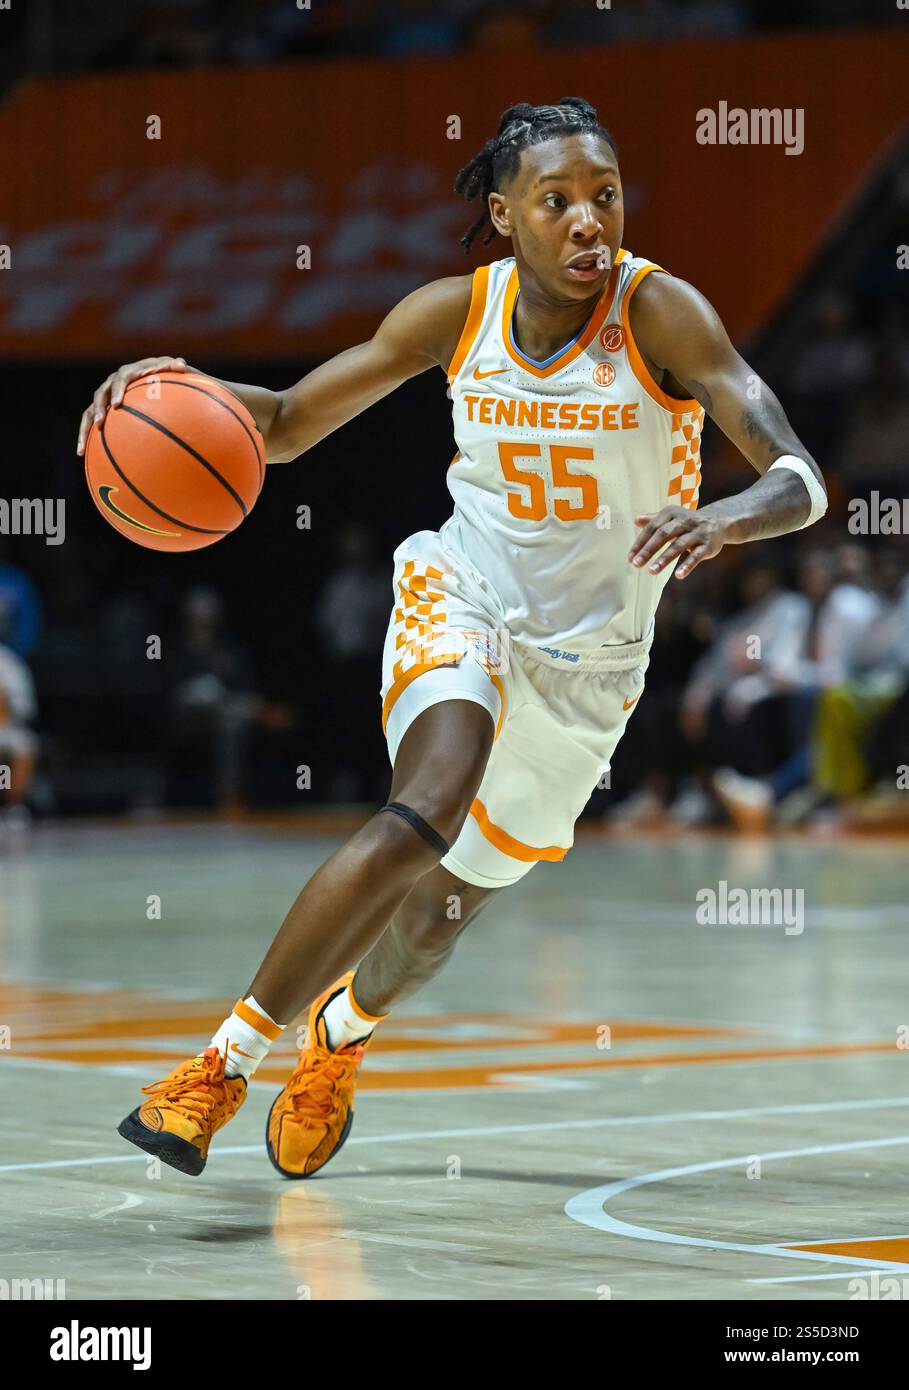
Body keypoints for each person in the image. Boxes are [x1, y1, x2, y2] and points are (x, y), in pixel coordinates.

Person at [76, 98, 828, 1179]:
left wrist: (724, 516)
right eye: (557, 200)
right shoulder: (449, 316)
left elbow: (800, 475)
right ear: (504, 213)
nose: (588, 223)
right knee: (426, 800)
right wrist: (156, 391)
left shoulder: (661, 314)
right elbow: (281, 426)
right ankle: (218, 1069)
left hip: (591, 669)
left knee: (434, 919)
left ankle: (339, 1035)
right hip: (464, 590)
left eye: (605, 196)